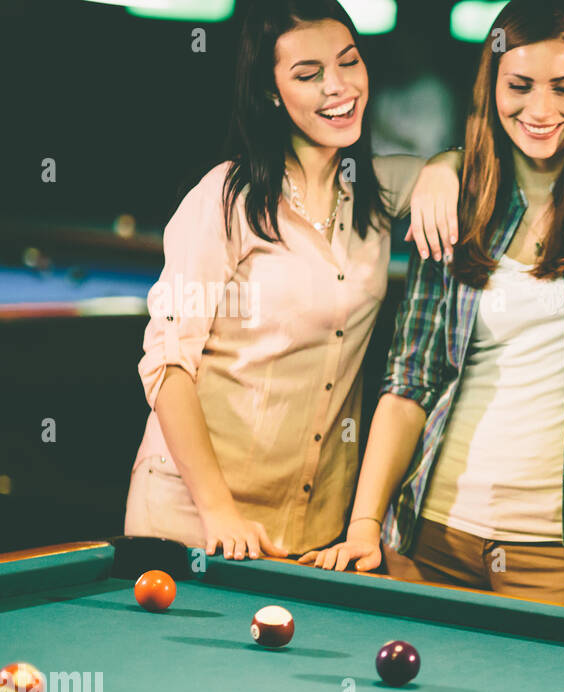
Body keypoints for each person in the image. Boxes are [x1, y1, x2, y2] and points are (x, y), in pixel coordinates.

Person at [302, 0, 564, 611]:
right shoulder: (457, 198)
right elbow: (409, 380)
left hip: (559, 552)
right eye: (520, 86)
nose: (540, 110)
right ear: (492, 86)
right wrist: (364, 525)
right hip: (431, 537)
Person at [126, 0, 452, 559]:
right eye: (308, 74)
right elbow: (167, 366)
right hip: (192, 520)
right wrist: (218, 510)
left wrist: (445, 166)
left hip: (313, 532)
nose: (338, 87)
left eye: (348, 62)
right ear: (272, 92)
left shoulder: (374, 191)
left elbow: (476, 168)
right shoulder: (223, 201)